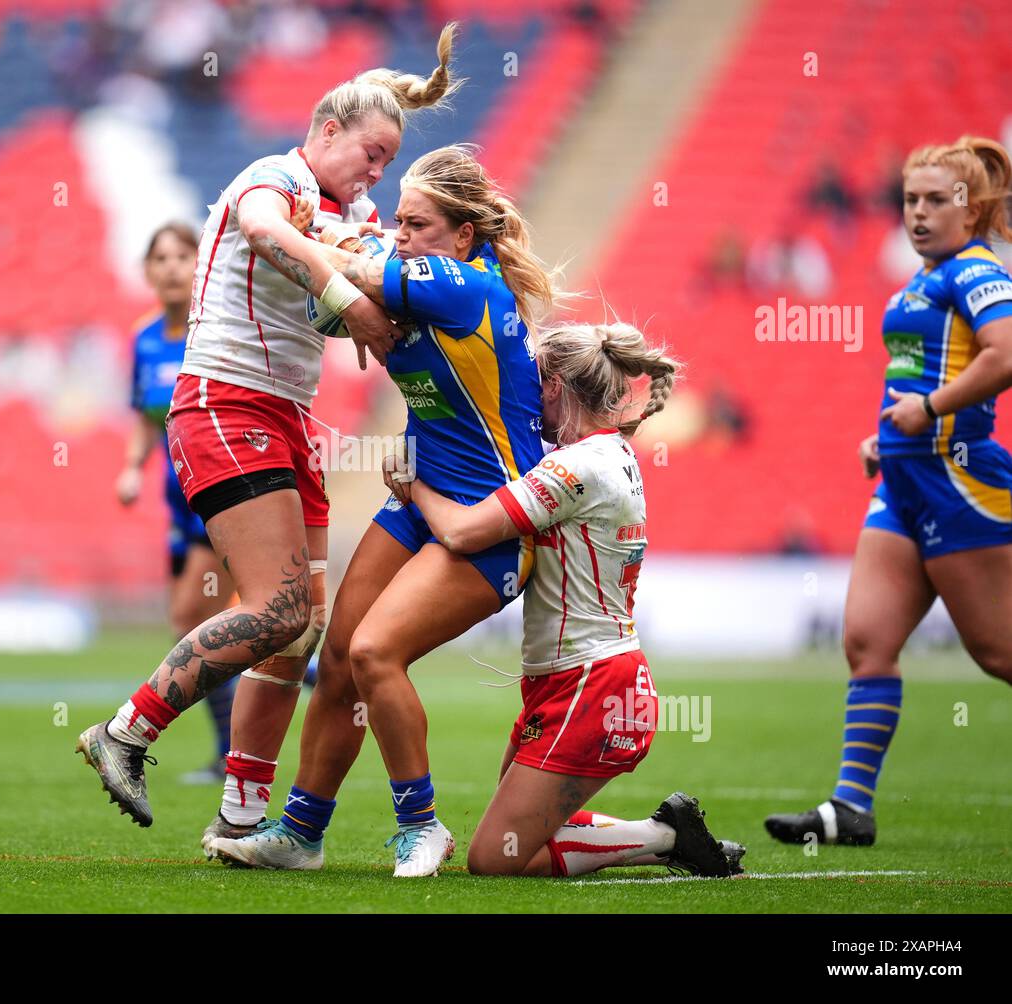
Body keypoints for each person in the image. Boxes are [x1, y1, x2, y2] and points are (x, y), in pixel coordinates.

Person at [76, 24, 461, 834]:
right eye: (372, 152)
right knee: (281, 610)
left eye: (389, 161)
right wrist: (352, 301)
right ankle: (125, 731)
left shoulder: (345, 212)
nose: (378, 173)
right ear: (327, 131)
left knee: (299, 629)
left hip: (283, 414)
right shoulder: (272, 178)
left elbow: (354, 276)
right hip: (225, 401)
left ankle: (242, 814)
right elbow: (264, 233)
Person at [208, 144, 560, 876]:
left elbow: (356, 275)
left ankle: (422, 825)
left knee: (374, 652)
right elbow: (333, 307)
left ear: (464, 236)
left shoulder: (462, 284)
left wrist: (318, 236)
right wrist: (342, 249)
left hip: (492, 521)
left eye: (417, 224)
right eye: (397, 220)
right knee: (336, 657)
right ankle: (302, 834)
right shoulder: (427, 285)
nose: (400, 235)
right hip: (420, 502)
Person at [401, 321, 741, 879]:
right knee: (526, 836)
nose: (527, 399)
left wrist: (413, 483)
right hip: (583, 677)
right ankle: (664, 836)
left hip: (591, 685)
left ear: (555, 385)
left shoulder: (576, 467)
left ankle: (663, 835)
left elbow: (461, 533)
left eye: (534, 385)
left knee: (497, 858)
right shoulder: (614, 454)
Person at [766, 135, 1012, 847]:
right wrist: (890, 436)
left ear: (973, 209)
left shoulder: (975, 271)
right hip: (906, 478)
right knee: (867, 642)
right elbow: (920, 372)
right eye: (911, 200)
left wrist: (930, 414)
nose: (919, 213)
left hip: (958, 477)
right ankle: (850, 808)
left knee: (998, 654)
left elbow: (1004, 356)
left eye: (938, 201)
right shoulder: (922, 279)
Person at [116, 222, 236, 785]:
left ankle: (231, 755)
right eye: (158, 257)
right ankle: (308, 673)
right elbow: (146, 417)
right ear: (146, 271)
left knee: (195, 621)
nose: (169, 267)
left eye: (181, 256)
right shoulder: (143, 341)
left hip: (217, 494)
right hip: (175, 503)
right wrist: (131, 467)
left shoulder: (213, 333)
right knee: (209, 625)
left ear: (201, 265)